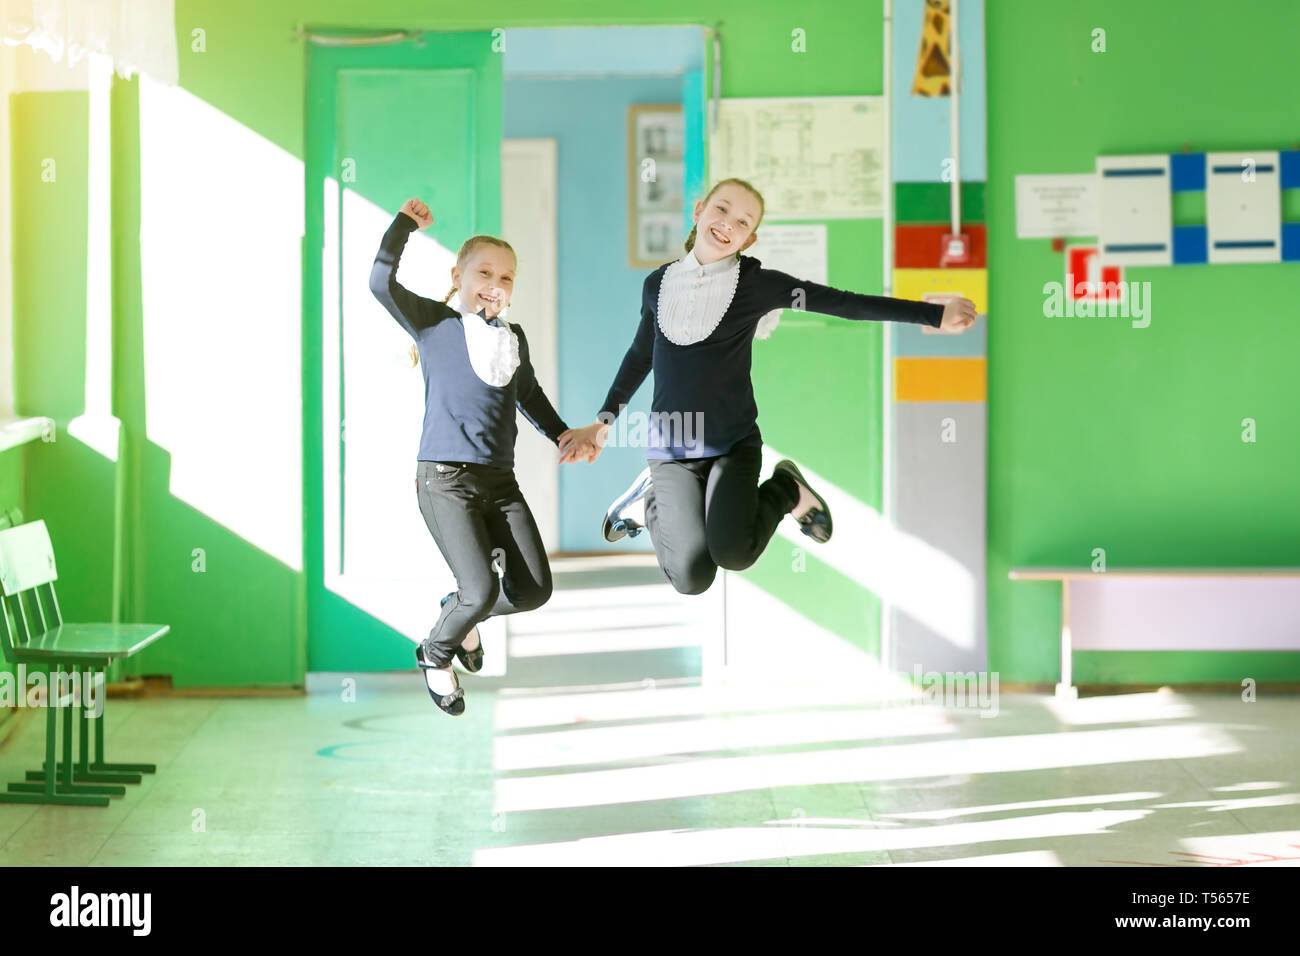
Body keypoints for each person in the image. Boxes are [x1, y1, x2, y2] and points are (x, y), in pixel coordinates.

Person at [558, 178, 976, 596]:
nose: (727, 224)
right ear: (699, 210)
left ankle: (785, 489)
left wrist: (933, 315)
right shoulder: (658, 284)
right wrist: (603, 421)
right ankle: (649, 502)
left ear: (750, 237)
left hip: (732, 445)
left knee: (734, 554)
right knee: (691, 578)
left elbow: (843, 303)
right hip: (671, 451)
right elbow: (639, 354)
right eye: (721, 209)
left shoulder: (758, 286)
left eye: (742, 221)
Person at [370, 197, 595, 715]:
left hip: (500, 482)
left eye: (508, 277)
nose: (496, 283)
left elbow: (530, 396)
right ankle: (436, 652)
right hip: (445, 481)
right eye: (485, 272)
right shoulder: (433, 323)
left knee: (534, 590)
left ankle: (460, 615)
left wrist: (566, 436)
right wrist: (405, 225)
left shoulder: (513, 339)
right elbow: (380, 283)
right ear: (459, 275)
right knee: (478, 590)